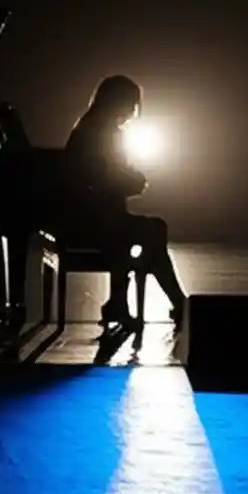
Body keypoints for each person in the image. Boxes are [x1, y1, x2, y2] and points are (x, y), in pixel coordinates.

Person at [61, 75, 186, 331]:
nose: (132, 111)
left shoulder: (86, 128)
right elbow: (104, 178)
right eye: (130, 103)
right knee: (153, 233)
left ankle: (124, 301)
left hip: (85, 216)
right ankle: (175, 301)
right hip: (96, 219)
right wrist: (133, 181)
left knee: (152, 235)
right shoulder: (106, 133)